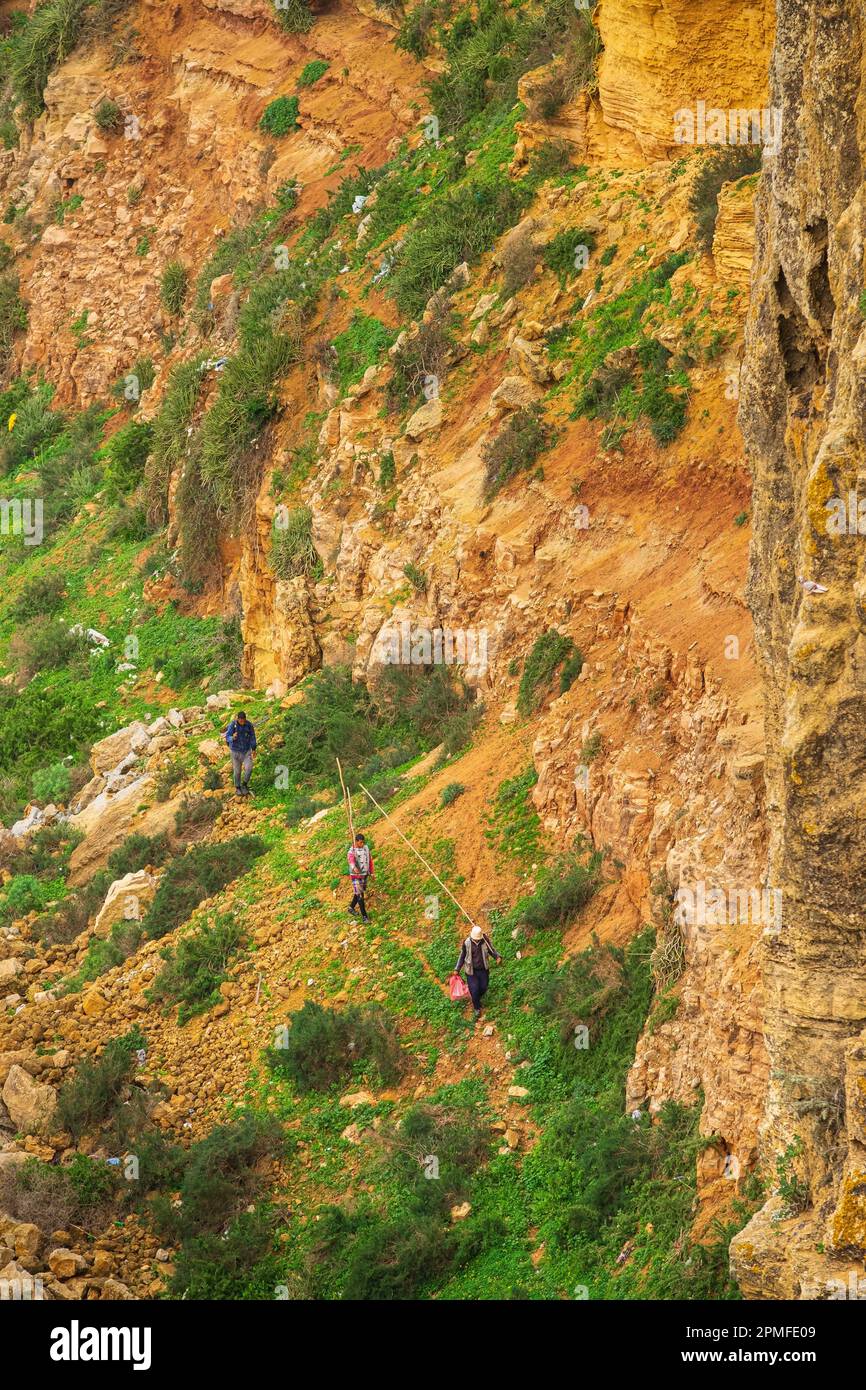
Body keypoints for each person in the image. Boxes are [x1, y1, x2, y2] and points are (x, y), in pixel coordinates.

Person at [454, 923, 502, 1021]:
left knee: (483, 987)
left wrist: (497, 957)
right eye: (475, 939)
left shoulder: (485, 941)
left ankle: (476, 997)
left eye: (478, 939)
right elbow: (462, 956)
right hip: (471, 971)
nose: (476, 940)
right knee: (474, 989)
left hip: (483, 969)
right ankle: (477, 1008)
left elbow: (491, 950)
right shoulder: (467, 943)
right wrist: (457, 969)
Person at [224, 710, 257, 796]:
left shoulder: (249, 725)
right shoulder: (233, 725)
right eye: (240, 720)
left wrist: (253, 748)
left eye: (243, 720)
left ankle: (244, 784)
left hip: (246, 751)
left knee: (249, 768)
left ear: (245, 719)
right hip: (235, 752)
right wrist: (232, 737)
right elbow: (227, 737)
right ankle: (237, 787)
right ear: (237, 719)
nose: (242, 722)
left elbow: (252, 737)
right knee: (237, 771)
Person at [347, 833, 374, 921]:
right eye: (360, 842)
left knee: (359, 892)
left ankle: (351, 908)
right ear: (356, 842)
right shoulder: (352, 851)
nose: (362, 844)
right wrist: (354, 868)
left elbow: (369, 860)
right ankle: (364, 917)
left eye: (363, 842)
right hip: (356, 876)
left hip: (364, 875)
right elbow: (351, 861)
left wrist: (372, 872)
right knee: (360, 896)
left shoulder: (366, 849)